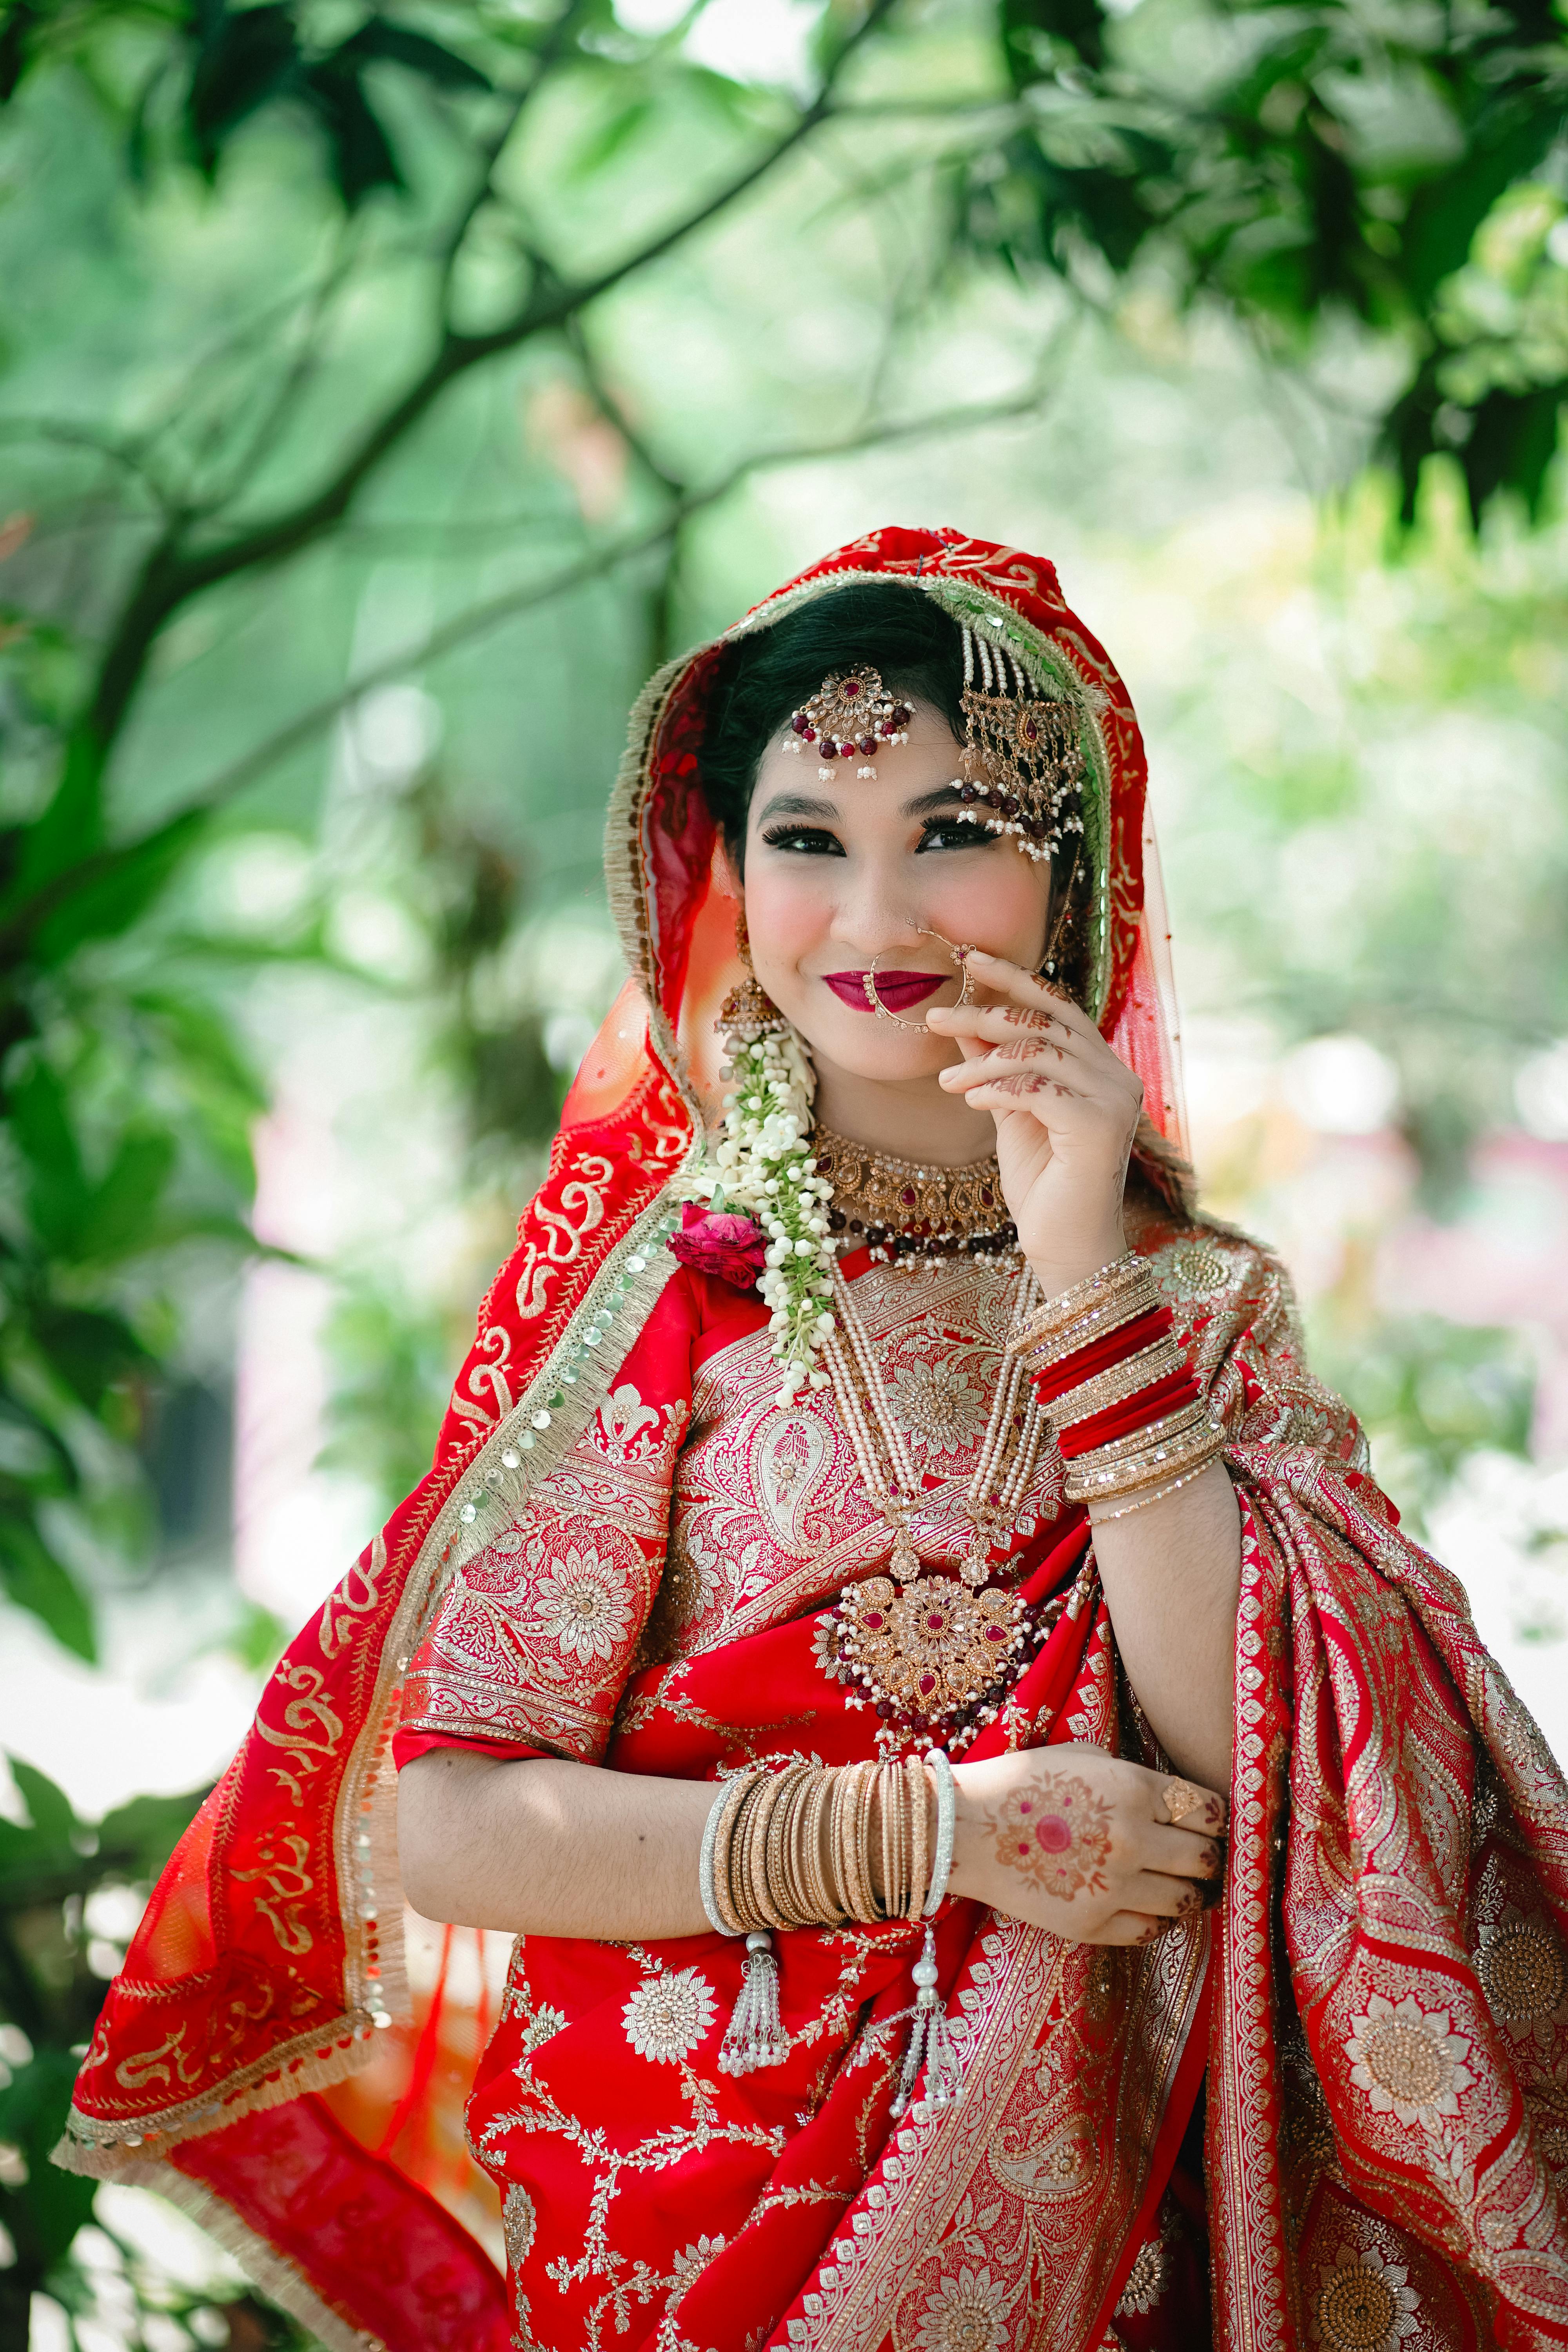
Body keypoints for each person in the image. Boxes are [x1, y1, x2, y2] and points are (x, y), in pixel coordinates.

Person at [56, 530, 1568, 2352]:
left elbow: (1254, 1762)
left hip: (1099, 2236)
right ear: (718, 870)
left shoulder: (1194, 1305)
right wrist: (933, 1834)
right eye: (805, 841)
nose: (871, 921)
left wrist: (1082, 1269)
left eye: (951, 834)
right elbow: (446, 1825)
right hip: (698, 2212)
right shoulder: (657, 1304)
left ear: (1064, 877)